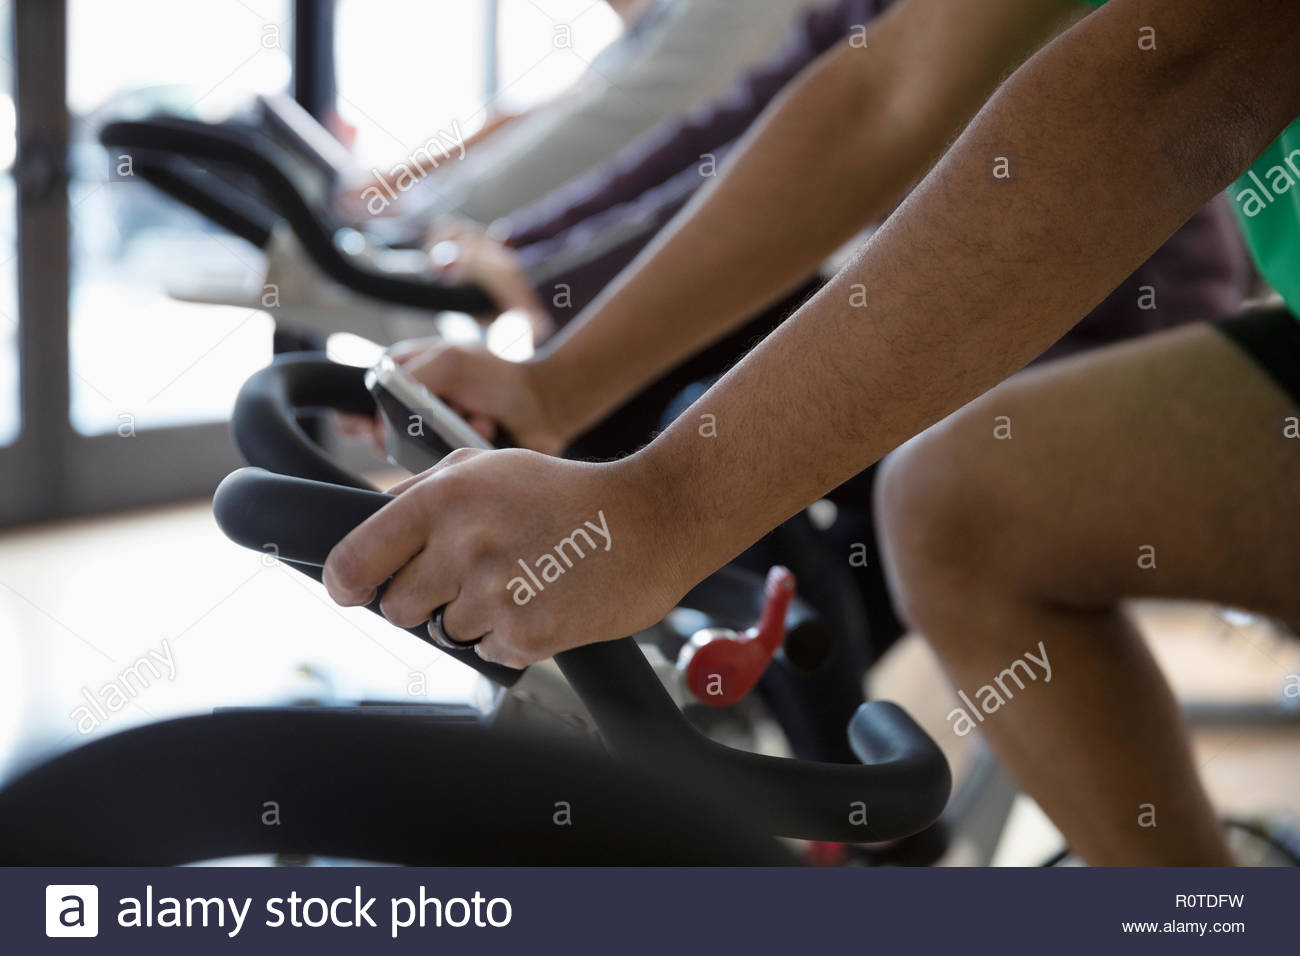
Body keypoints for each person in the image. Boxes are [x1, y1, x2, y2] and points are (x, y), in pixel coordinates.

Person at [322, 0, 1300, 865]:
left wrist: (662, 508)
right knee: (949, 505)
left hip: (1111, 304)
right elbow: (883, 94)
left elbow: (1177, 77)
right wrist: (554, 386)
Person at [368, 0, 823, 227]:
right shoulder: (647, 31)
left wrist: (431, 217)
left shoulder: (731, 19)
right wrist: (406, 177)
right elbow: (545, 113)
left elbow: (604, 130)